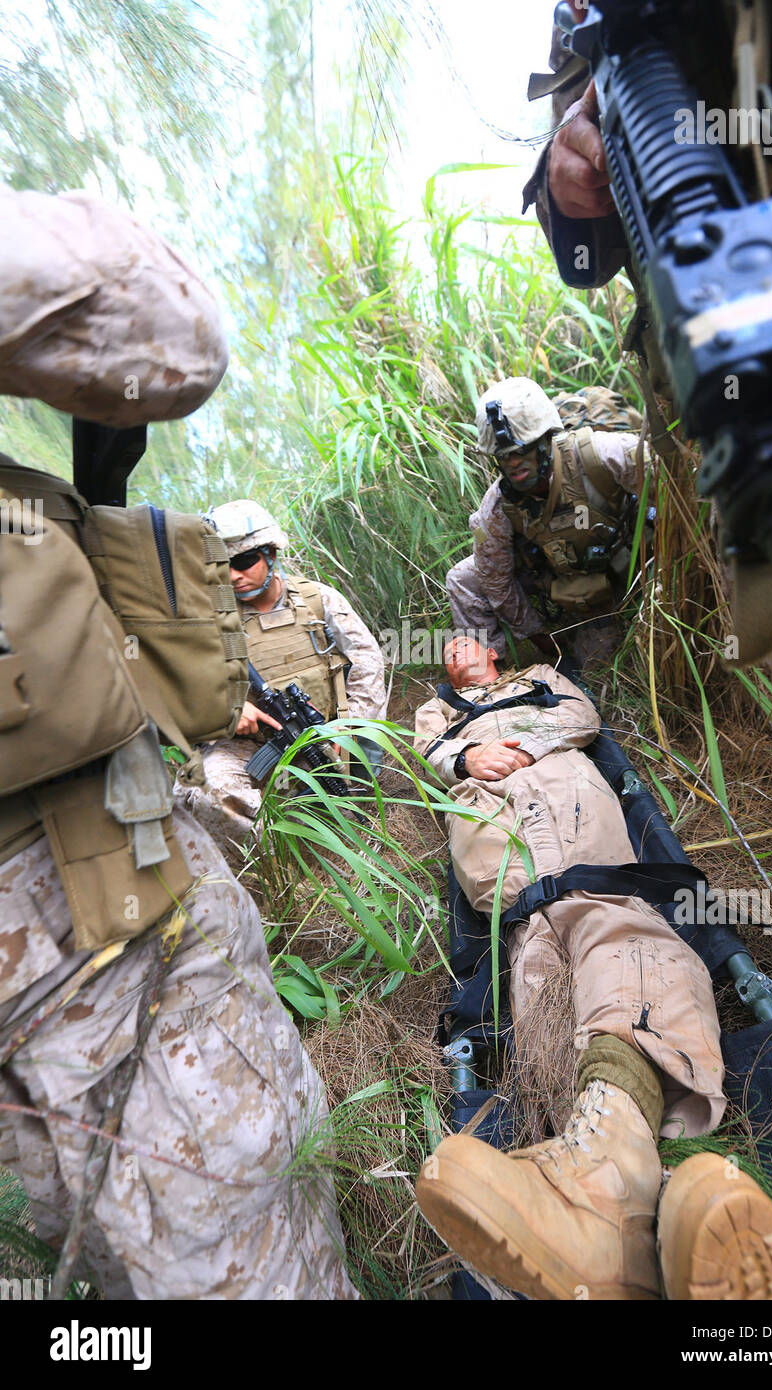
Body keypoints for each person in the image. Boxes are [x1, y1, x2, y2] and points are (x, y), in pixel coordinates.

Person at [0, 186, 356, 1300]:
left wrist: (357, 736)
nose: (247, 577)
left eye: (256, 563)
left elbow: (361, 665)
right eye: (235, 565)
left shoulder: (313, 602)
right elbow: (170, 334)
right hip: (82, 894)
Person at [523, 0, 772, 888]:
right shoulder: (583, 26)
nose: (521, 472)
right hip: (736, 363)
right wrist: (567, 172)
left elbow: (633, 466)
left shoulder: (586, 457)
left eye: (526, 456)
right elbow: (584, 243)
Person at [413, 636, 772, 1300]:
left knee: (619, 929)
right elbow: (427, 757)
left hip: (566, 798)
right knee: (537, 982)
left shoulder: (538, 676)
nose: (456, 652)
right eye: (445, 650)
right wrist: (469, 754)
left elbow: (581, 717)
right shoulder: (436, 708)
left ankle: (605, 1195)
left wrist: (525, 745)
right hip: (495, 829)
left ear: (493, 653)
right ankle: (645, 1204)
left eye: (467, 641)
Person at [179, 499, 388, 866]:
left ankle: (307, 814)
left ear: (271, 554)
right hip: (248, 746)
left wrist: (349, 728)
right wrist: (228, 708)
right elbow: (181, 686)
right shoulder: (210, 620)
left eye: (243, 562)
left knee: (343, 801)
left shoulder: (317, 601)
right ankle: (268, 872)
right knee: (205, 789)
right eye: (222, 566)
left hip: (326, 739)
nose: (233, 576)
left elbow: (368, 665)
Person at [445, 378, 649, 674]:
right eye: (504, 457)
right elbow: (496, 585)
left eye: (522, 450)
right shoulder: (497, 508)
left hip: (626, 572)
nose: (513, 463)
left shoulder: (600, 455)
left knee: (601, 670)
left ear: (545, 441)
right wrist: (550, 648)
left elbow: (676, 486)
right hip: (563, 582)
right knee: (463, 577)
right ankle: (487, 679)